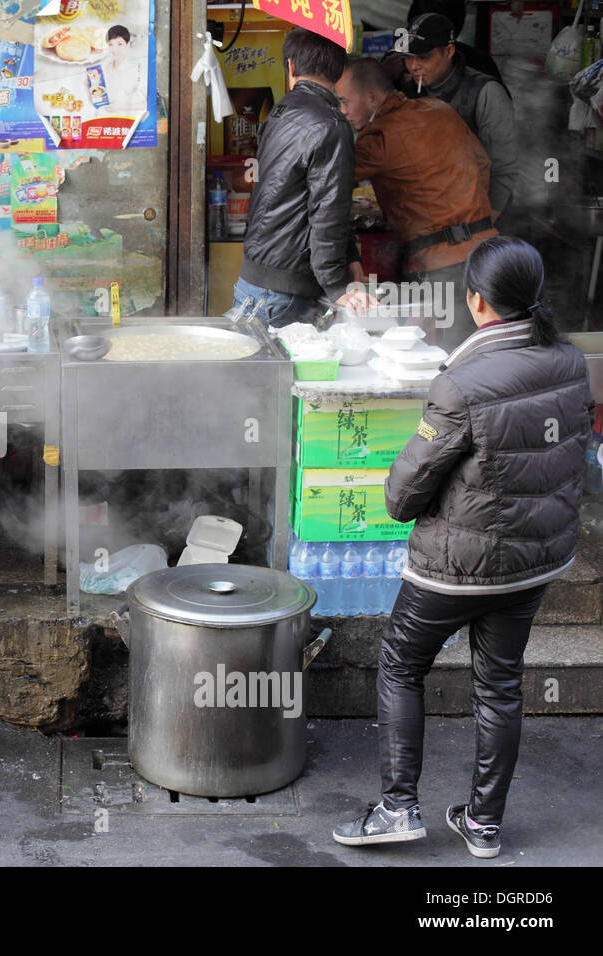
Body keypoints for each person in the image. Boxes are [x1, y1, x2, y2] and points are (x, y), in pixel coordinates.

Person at [333, 238, 595, 858]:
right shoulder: (570, 361)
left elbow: (404, 494)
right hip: (533, 562)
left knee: (400, 663)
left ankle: (398, 807)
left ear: (474, 301)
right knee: (499, 684)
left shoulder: (461, 384)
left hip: (455, 567)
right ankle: (482, 823)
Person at [336, 58, 498, 350]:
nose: (342, 111)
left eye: (345, 101)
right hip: (487, 253)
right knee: (482, 349)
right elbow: (483, 164)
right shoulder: (440, 110)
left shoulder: (379, 137)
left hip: (438, 265)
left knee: (440, 355)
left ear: (372, 98)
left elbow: (332, 184)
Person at [232, 28, 366, 327]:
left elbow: (315, 201)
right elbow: (328, 210)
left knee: (247, 370)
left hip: (256, 279)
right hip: (284, 291)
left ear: (290, 66)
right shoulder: (332, 125)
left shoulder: (279, 114)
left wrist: (349, 254)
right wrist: (335, 286)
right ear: (340, 72)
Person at [395, 13, 519, 218]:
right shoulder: (409, 94)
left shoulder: (485, 92)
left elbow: (504, 168)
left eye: (423, 57)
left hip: (481, 215)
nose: (413, 65)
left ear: (449, 51)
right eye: (408, 57)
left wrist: (486, 223)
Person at [100, 25, 145, 114]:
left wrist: (122, 106)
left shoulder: (137, 69)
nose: (114, 49)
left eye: (119, 44)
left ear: (128, 44)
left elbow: (149, 103)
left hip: (127, 123)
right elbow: (100, 101)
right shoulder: (106, 68)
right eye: (110, 44)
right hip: (104, 121)